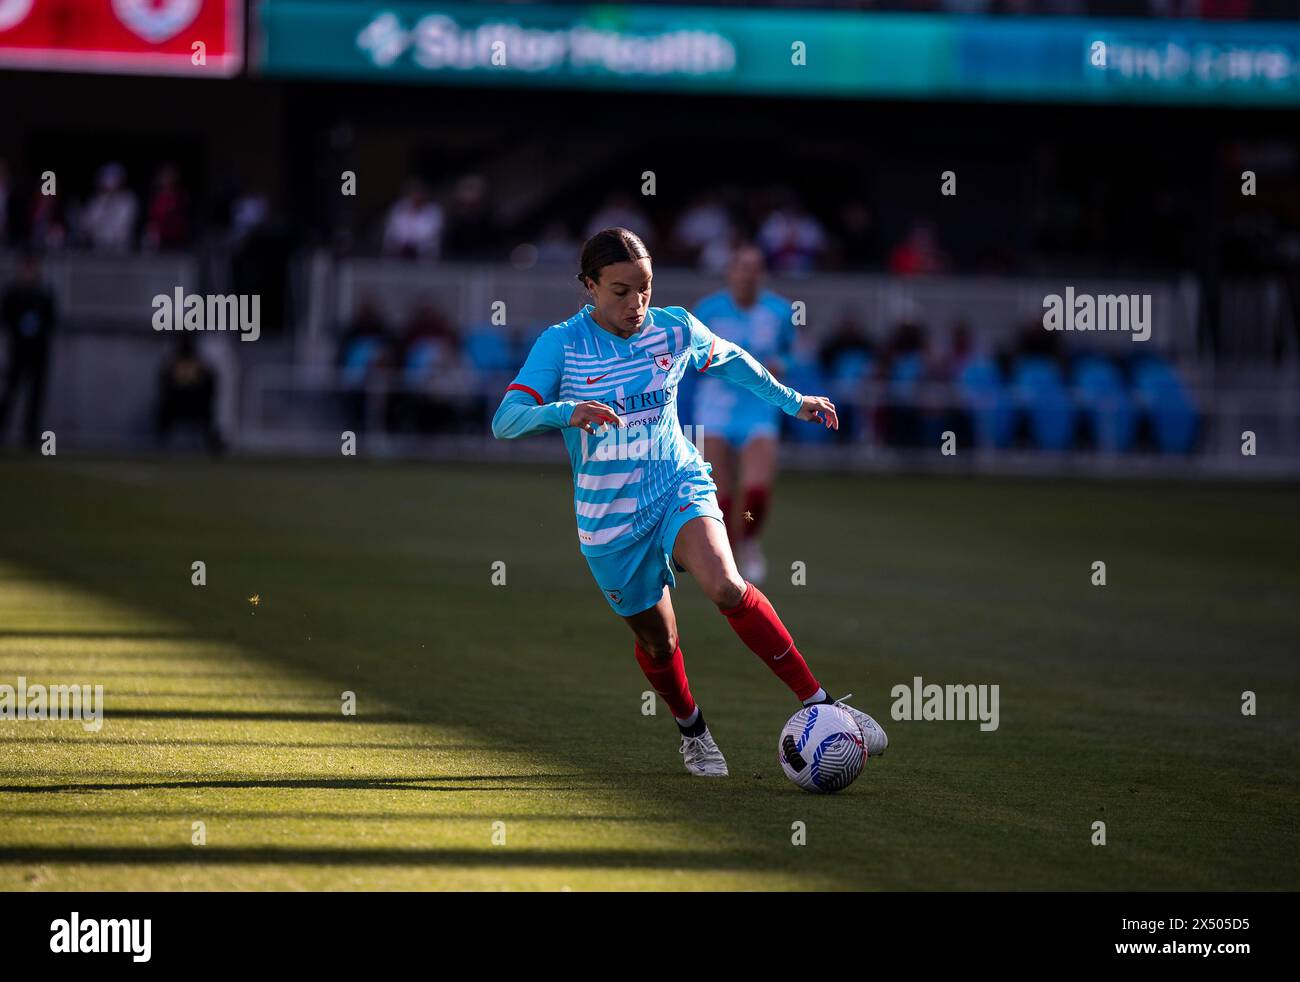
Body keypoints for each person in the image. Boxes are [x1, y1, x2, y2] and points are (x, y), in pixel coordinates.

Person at [491, 227, 888, 777]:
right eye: (620, 291)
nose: (637, 304)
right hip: (609, 519)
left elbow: (734, 360)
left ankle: (820, 703)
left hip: (677, 481)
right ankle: (693, 730)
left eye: (645, 289)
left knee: (726, 583)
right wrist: (565, 411)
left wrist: (794, 402)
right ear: (589, 286)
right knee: (659, 641)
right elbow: (504, 421)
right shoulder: (562, 345)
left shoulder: (674, 328)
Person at [691, 244, 793, 583]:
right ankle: (728, 555)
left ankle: (749, 541)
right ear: (730, 271)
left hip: (759, 410)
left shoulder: (778, 311)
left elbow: (789, 354)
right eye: (741, 266)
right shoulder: (708, 309)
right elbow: (690, 357)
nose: (747, 274)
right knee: (720, 496)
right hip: (714, 410)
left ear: (761, 273)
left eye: (754, 267)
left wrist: (781, 367)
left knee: (756, 493)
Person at [0, 252, 56, 448]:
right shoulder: (13, 294)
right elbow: (6, 320)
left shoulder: (44, 294)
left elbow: (51, 322)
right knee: (10, 393)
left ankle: (30, 436)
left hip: (38, 353)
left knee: (35, 397)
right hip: (18, 351)